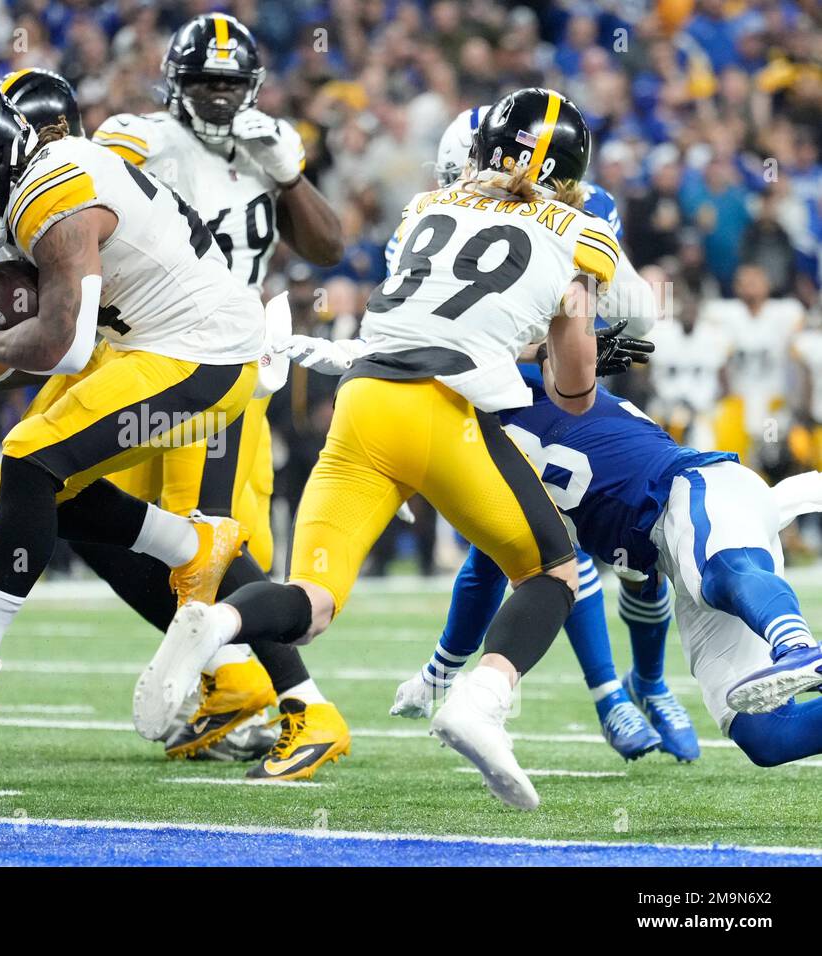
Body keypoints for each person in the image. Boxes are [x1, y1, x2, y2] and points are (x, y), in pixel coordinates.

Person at [135, 88, 612, 808]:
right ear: (572, 171)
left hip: (361, 399)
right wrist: (575, 343)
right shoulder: (581, 232)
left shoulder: (431, 205)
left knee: (315, 600)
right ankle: (480, 701)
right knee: (551, 570)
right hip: (443, 410)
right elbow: (573, 387)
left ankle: (223, 621)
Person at [0, 84, 262, 728]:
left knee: (30, 457)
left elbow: (63, 345)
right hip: (158, 347)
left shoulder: (56, 194)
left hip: (205, 357)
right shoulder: (20, 188)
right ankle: (190, 544)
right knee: (22, 487)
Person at [83, 16, 352, 777]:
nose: (220, 95)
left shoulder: (266, 147)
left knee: (212, 543)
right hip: (149, 356)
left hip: (225, 363)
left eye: (233, 82)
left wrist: (291, 173)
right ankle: (231, 682)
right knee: (110, 524)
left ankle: (298, 703)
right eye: (206, 80)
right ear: (176, 81)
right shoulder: (140, 137)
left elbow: (329, 248)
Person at [391, 105, 697, 764]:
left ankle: (646, 683)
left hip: (570, 395)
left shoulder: (578, 212)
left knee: (633, 549)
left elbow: (631, 312)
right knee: (522, 544)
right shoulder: (448, 209)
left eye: (480, 168)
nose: (474, 183)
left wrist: (584, 330)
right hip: (505, 388)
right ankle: (610, 693)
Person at [395, 361, 822, 770]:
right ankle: (664, 682)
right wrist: (437, 675)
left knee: (723, 572)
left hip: (696, 490)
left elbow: (542, 344)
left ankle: (797, 647)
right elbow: (485, 570)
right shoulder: (480, 458)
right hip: (665, 549)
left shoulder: (523, 388)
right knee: (766, 736)